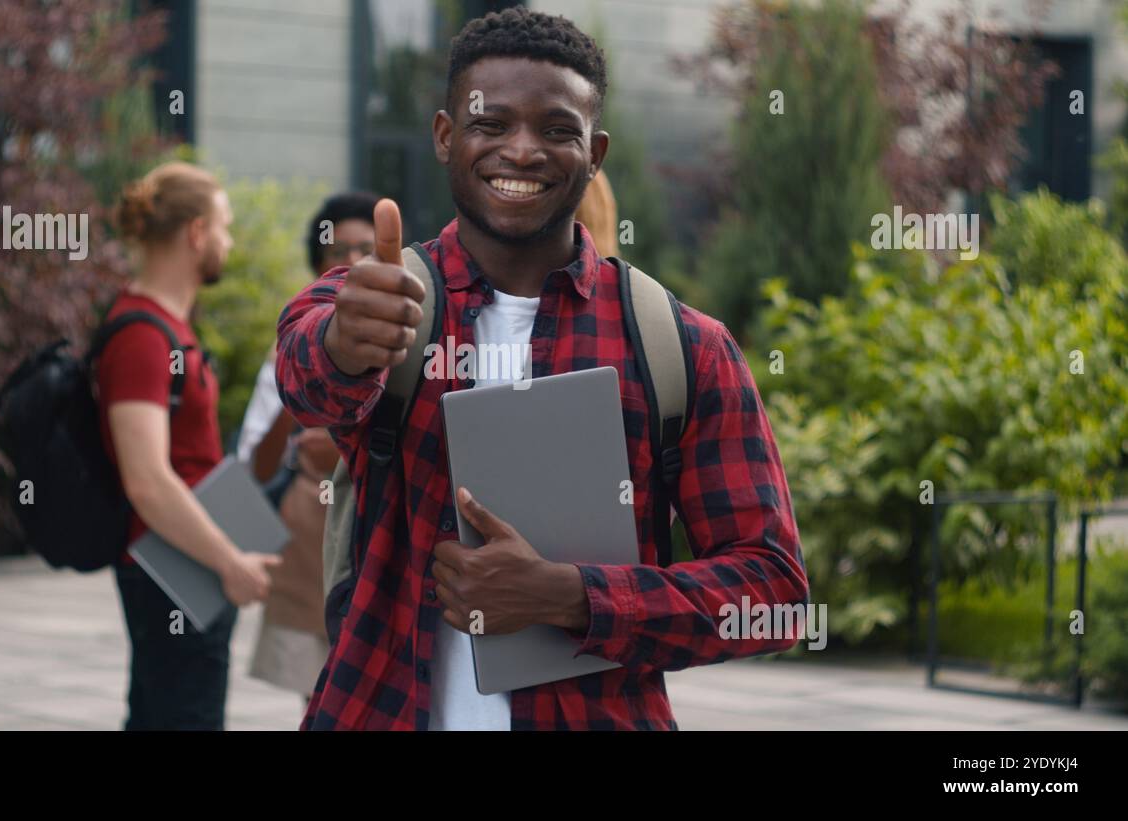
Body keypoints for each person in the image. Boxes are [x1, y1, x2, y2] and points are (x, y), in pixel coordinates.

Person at [275, 7, 808, 730]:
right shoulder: (381, 301)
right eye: (490, 124)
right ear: (444, 136)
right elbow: (305, 371)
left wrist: (573, 597)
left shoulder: (681, 346)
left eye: (557, 129)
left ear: (596, 152)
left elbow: (773, 594)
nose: (522, 151)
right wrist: (344, 344)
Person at [98, 161, 281, 730]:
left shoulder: (163, 326)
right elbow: (147, 480)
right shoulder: (142, 337)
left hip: (189, 562)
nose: (228, 242)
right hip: (172, 568)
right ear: (196, 232)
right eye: (224, 227)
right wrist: (230, 562)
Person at [237, 192, 380, 700]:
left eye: (366, 248)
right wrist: (295, 387)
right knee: (316, 699)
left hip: (382, 543)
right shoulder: (290, 345)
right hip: (309, 546)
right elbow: (256, 468)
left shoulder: (417, 338)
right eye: (339, 250)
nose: (353, 261)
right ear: (320, 263)